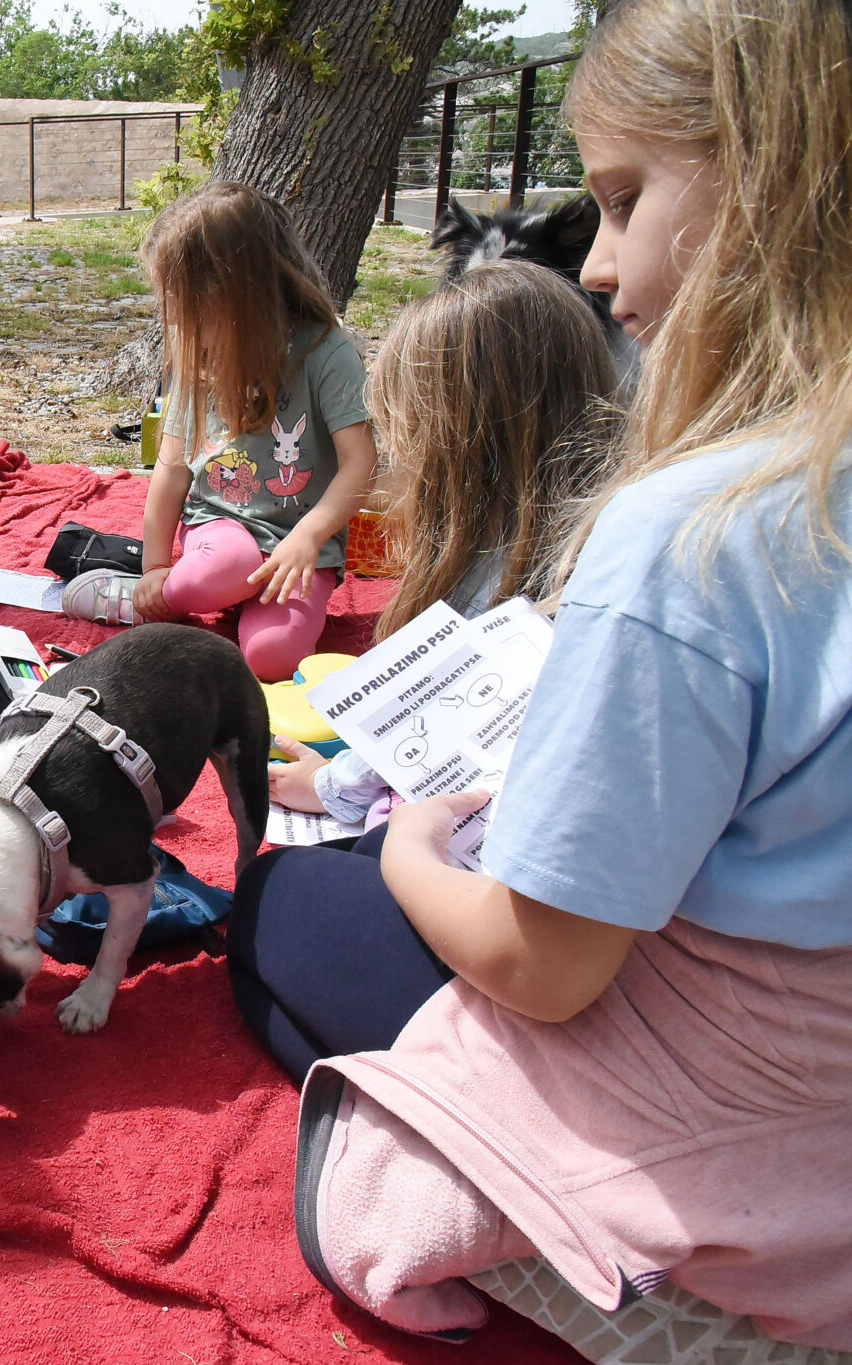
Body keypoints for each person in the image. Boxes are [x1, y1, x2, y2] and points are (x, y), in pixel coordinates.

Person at [276, 0, 852, 1348]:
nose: (594, 263)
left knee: (289, 912)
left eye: (625, 198)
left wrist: (411, 844)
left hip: (724, 1078)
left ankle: (630, 1267)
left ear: (770, 177)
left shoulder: (691, 535)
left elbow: (545, 967)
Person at [262, 260, 616, 831]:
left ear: (454, 437)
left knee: (276, 883)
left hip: (490, 841)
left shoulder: (490, 570)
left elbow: (430, 714)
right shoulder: (598, 530)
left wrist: (332, 787)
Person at [64, 183, 376, 684]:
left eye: (182, 300)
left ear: (232, 292)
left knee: (273, 658)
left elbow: (360, 462)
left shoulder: (326, 352)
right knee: (227, 565)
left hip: (297, 548)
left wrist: (309, 537)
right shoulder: (198, 358)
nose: (173, 316)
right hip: (220, 530)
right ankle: (137, 600)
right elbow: (170, 471)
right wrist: (154, 573)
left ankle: (236, 599)